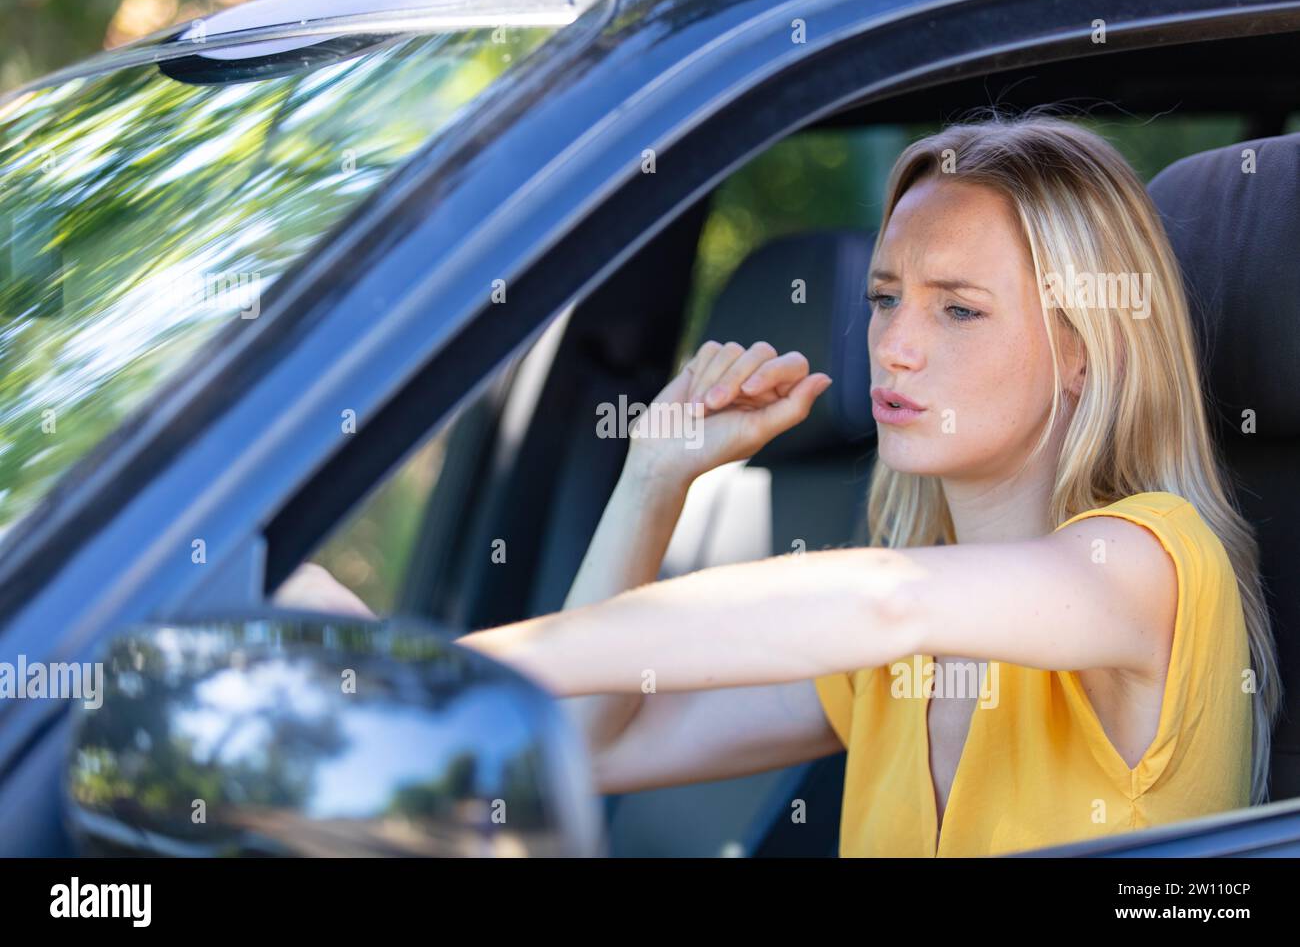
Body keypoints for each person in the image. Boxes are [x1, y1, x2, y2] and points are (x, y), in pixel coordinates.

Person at [279, 113, 1282, 857]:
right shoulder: (893, 659)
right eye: (885, 298)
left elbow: (882, 600)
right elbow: (588, 750)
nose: (891, 344)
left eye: (958, 310)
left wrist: (434, 669)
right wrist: (650, 480)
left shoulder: (1148, 561)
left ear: (1082, 350)